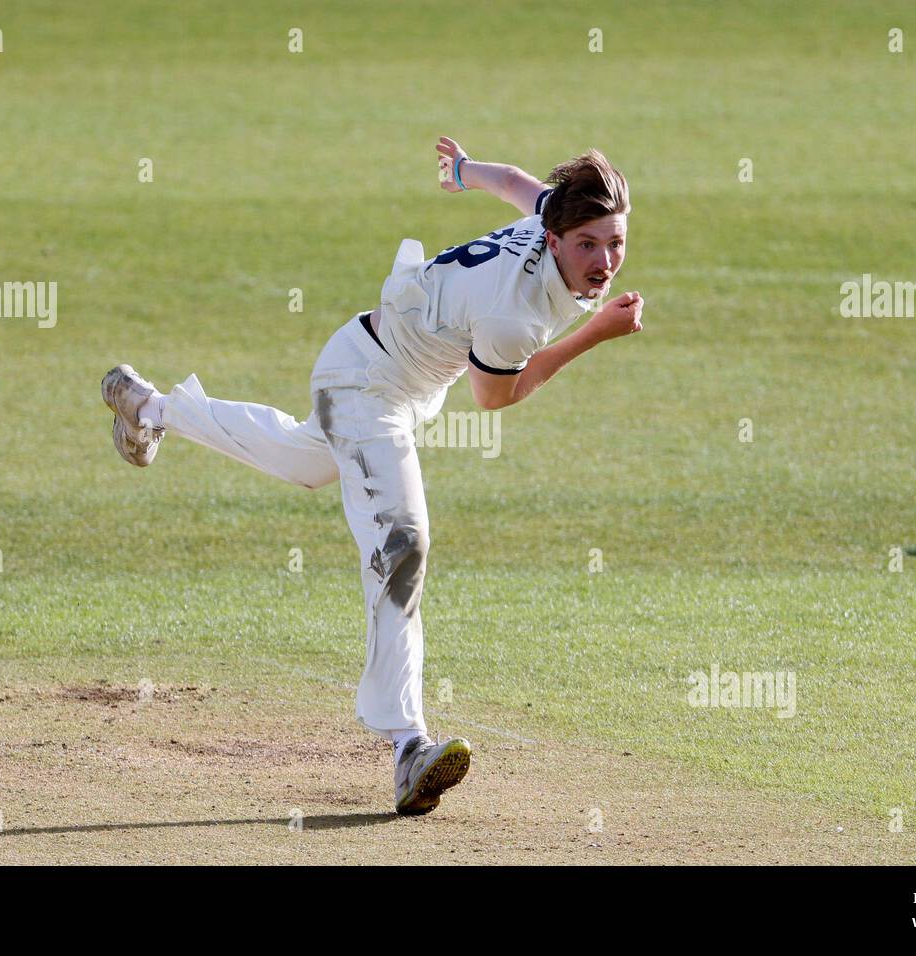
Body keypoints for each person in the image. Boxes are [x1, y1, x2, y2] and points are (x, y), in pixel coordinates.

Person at [101, 136, 643, 815]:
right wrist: (594, 335)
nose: (604, 262)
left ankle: (148, 406)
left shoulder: (550, 215)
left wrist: (462, 170)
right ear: (557, 239)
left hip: (377, 368)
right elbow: (495, 397)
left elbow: (512, 183)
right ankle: (407, 743)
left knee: (305, 462)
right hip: (370, 386)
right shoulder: (514, 314)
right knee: (402, 544)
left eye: (615, 243)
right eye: (589, 245)